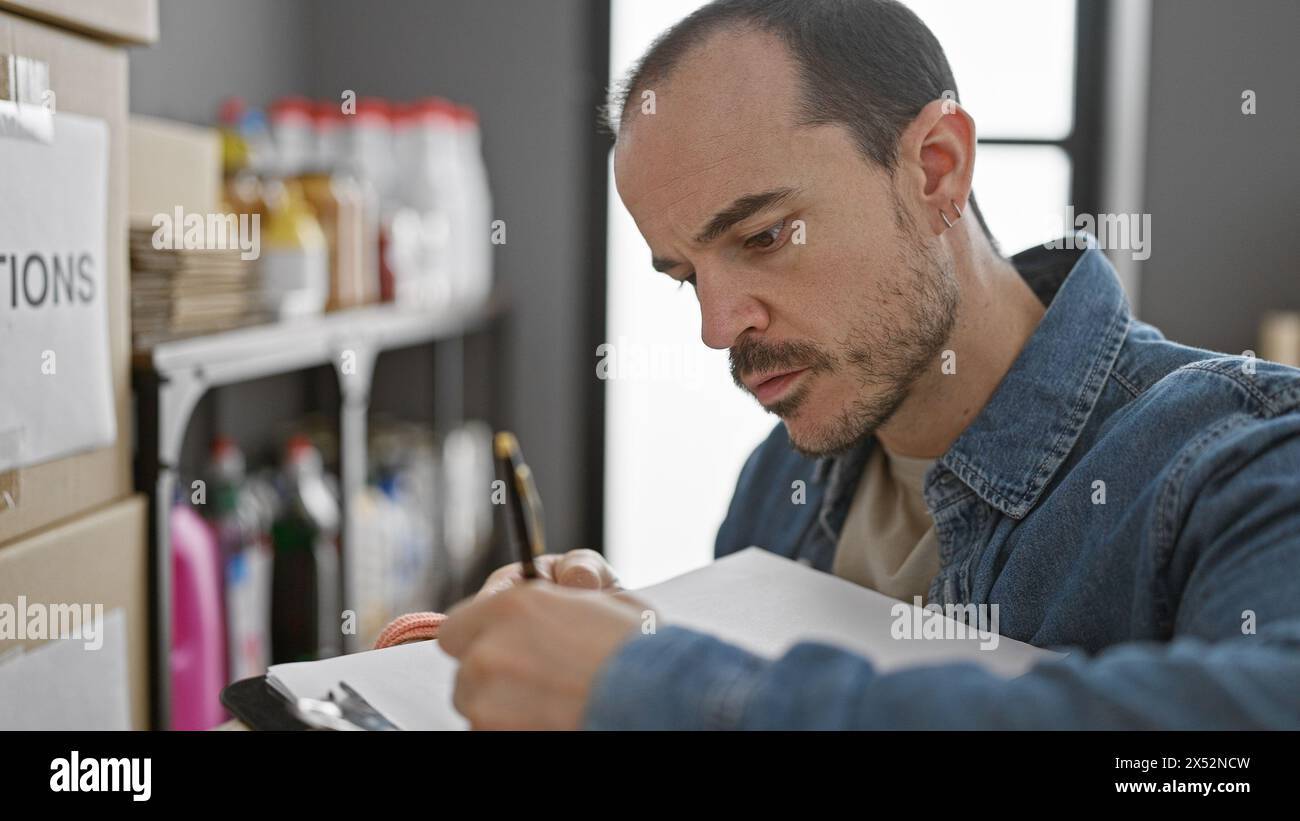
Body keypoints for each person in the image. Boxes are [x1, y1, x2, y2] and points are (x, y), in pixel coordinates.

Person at [437, 0, 1300, 730]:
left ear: (936, 170)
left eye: (765, 236)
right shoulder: (778, 485)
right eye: (686, 276)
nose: (716, 326)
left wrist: (662, 689)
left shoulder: (1241, 453)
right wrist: (626, 644)